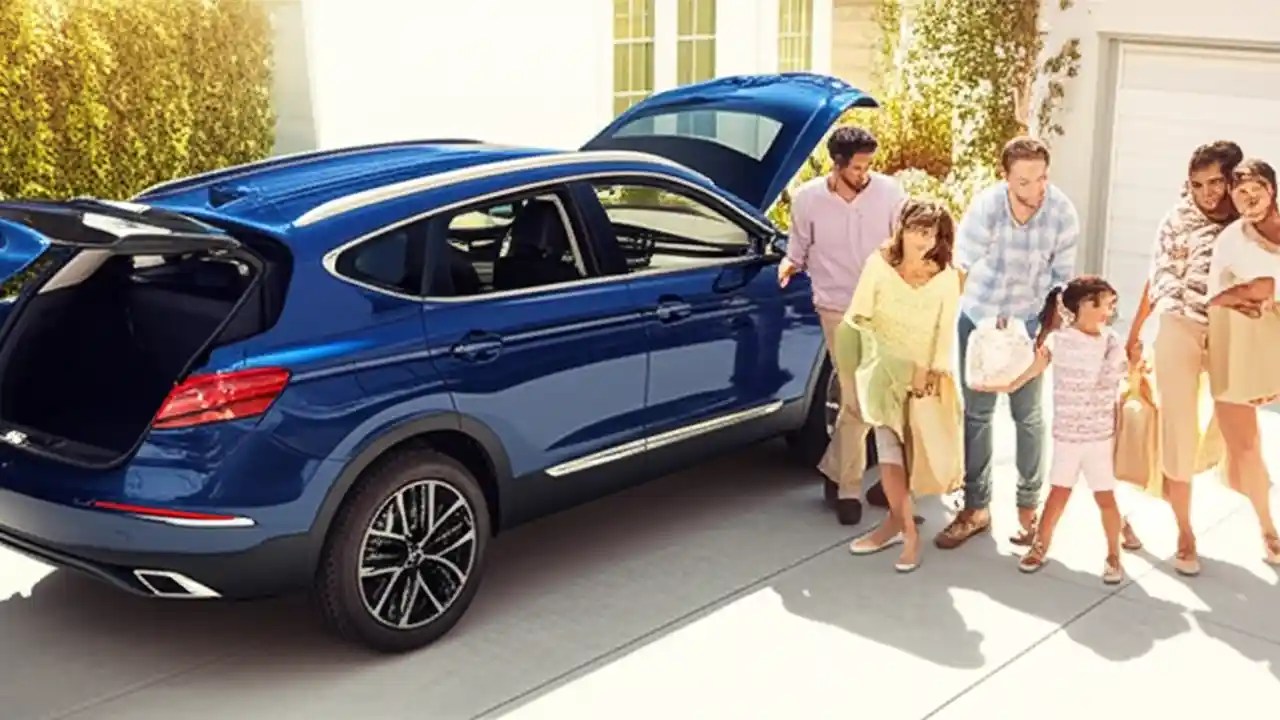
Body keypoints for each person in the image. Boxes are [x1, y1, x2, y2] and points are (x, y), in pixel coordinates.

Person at [934, 137, 1080, 550]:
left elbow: (1060, 285)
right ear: (1006, 178)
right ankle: (976, 508)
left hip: (1029, 319)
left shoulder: (1062, 212)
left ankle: (1029, 511)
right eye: (1023, 182)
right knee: (977, 415)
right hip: (979, 317)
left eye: (1040, 179)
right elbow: (961, 268)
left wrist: (1045, 340)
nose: (1033, 190)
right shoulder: (986, 207)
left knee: (1028, 415)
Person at [1124, 140, 1244, 575]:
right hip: (1180, 325)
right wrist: (1135, 333)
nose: (1208, 193)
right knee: (1177, 429)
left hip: (1232, 331)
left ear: (1234, 178)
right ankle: (1184, 530)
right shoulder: (1177, 220)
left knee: (1236, 424)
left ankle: (1257, 511)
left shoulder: (1251, 221)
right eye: (1198, 184)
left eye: (1216, 182)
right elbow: (1157, 280)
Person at [780, 126, 907, 526]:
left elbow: (906, 244)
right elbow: (798, 248)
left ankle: (834, 469)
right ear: (836, 165)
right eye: (857, 167)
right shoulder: (808, 200)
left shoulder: (889, 193)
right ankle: (849, 487)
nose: (864, 173)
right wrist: (787, 265)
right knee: (855, 396)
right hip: (837, 308)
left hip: (883, 306)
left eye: (869, 165)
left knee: (876, 396)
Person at [839, 199, 962, 572]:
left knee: (914, 459)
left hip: (923, 379)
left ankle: (894, 522)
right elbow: (858, 315)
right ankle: (909, 534)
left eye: (930, 233)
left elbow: (945, 330)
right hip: (882, 373)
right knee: (889, 456)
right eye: (915, 230)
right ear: (902, 228)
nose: (921, 240)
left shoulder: (946, 277)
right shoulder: (878, 265)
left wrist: (933, 371)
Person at [982, 277, 1130, 583]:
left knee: (1105, 498)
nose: (1107, 312)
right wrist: (1002, 385)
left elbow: (1120, 377)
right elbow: (1029, 372)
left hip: (1099, 438)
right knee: (1057, 495)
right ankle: (1040, 546)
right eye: (1102, 304)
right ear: (1081, 306)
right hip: (1066, 437)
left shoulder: (1112, 343)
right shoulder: (1057, 341)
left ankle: (1114, 555)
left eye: (1111, 305)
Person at [1202, 157, 1280, 568]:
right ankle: (1269, 530)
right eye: (1241, 192)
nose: (1250, 198)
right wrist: (1249, 294)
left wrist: (1269, 291)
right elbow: (1215, 299)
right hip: (1240, 342)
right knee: (1245, 445)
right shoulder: (1232, 240)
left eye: (1257, 189)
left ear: (1273, 190)